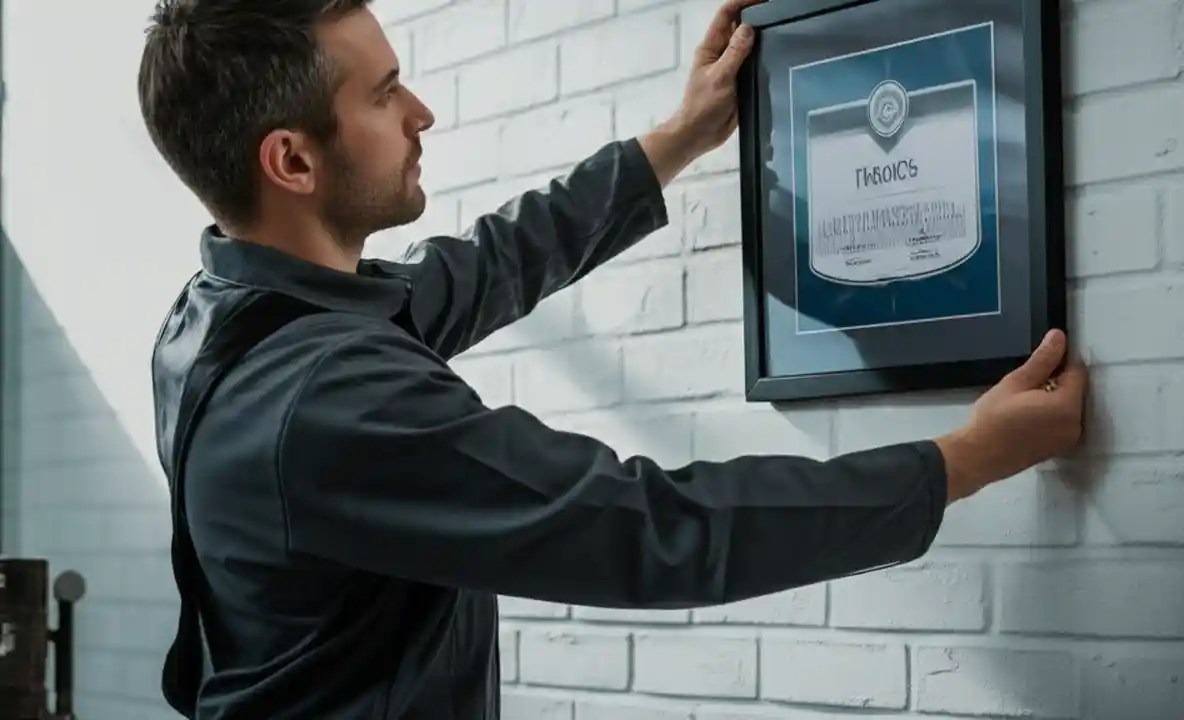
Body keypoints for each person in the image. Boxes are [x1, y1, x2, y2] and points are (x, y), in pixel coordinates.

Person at [138, 0, 1088, 718]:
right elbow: (647, 528)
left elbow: (484, 266)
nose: (420, 111)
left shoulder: (230, 313)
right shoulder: (323, 398)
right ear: (292, 163)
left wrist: (677, 140)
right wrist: (962, 462)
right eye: (384, 95)